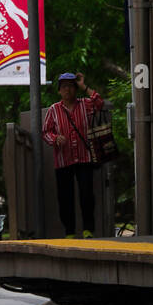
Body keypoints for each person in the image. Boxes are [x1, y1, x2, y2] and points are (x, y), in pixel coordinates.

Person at [41, 71, 104, 237]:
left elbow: (99, 103)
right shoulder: (53, 110)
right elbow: (45, 132)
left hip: (84, 157)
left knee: (86, 195)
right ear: (59, 91)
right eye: (63, 87)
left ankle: (88, 229)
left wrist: (84, 86)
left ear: (75, 89)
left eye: (70, 86)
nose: (67, 90)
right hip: (63, 160)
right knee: (65, 197)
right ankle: (69, 231)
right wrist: (55, 139)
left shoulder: (85, 104)